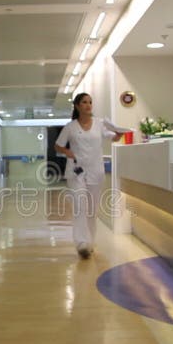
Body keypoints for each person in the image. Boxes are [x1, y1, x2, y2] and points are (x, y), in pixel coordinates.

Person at [54, 93, 131, 258]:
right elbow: (58, 146)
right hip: (76, 172)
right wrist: (69, 153)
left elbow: (113, 138)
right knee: (80, 206)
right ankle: (81, 243)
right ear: (77, 106)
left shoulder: (99, 124)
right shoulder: (70, 127)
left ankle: (90, 242)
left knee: (91, 209)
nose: (88, 105)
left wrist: (119, 132)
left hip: (96, 171)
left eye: (90, 102)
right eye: (84, 102)